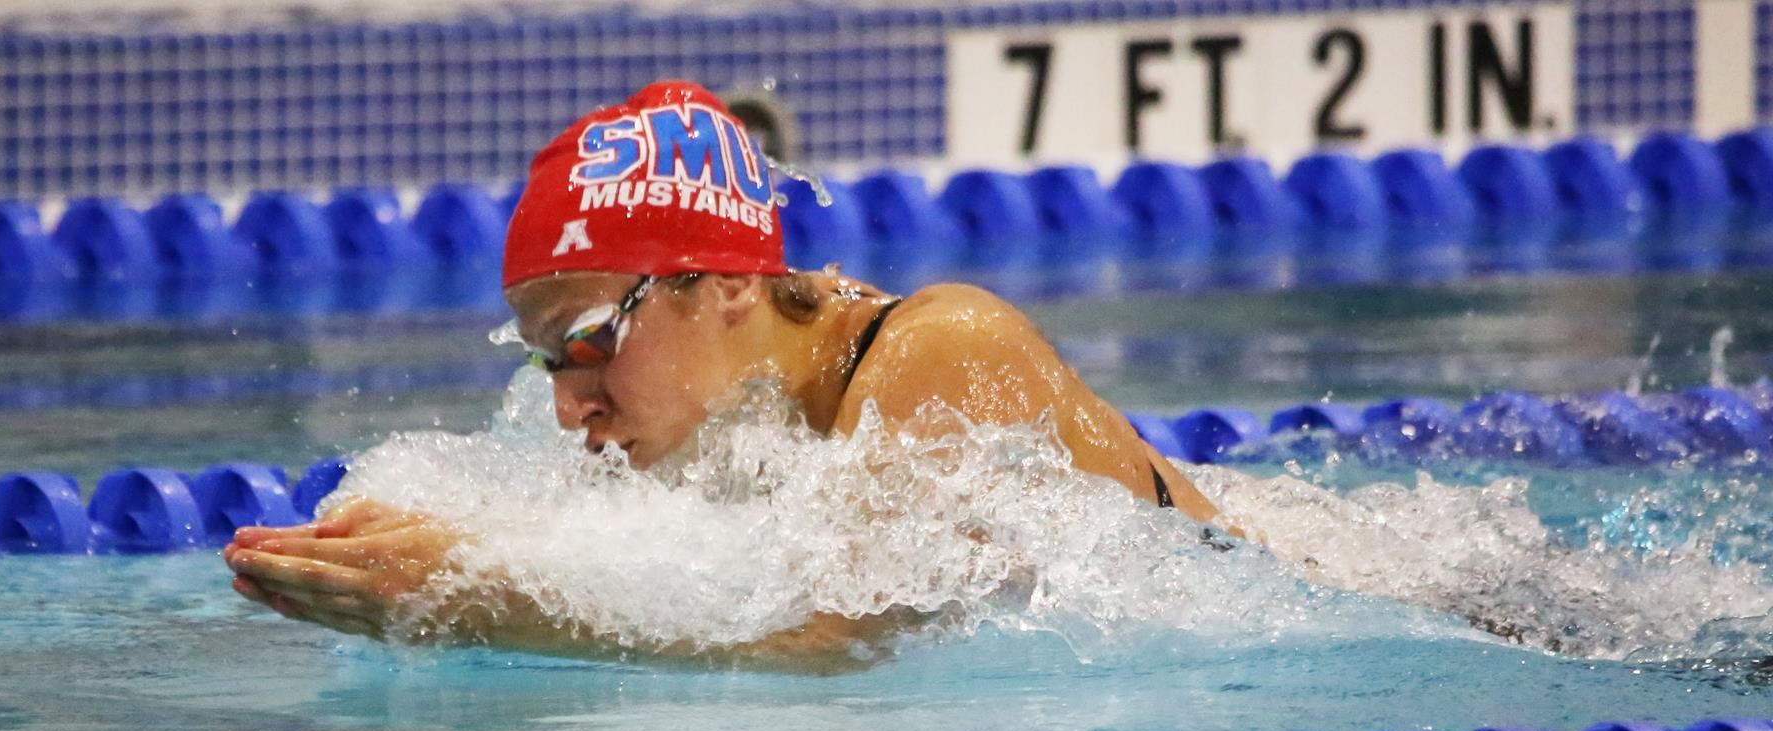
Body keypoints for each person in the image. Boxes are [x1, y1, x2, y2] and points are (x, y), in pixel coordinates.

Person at [225, 79, 1222, 664]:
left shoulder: (945, 348)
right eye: (545, 357)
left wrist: (481, 601)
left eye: (591, 339)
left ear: (730, 284)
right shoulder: (722, 422)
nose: (568, 405)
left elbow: (837, 640)